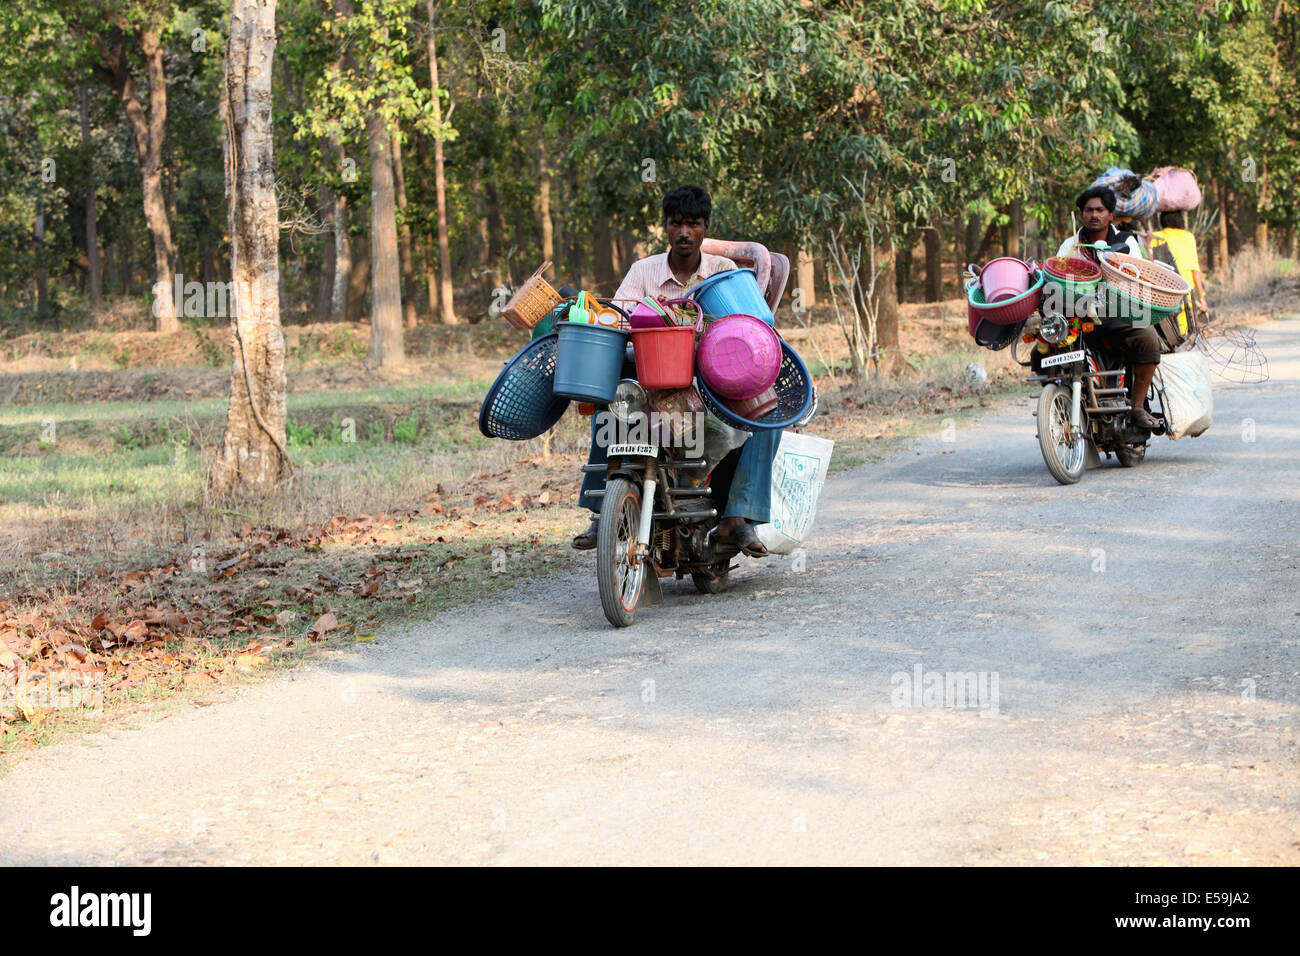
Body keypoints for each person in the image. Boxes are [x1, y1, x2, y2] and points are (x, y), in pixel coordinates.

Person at [572, 184, 778, 557]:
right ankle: (602, 512)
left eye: (693, 224)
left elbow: (746, 335)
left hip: (712, 388)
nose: (684, 232)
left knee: (768, 419)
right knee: (611, 404)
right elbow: (616, 323)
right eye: (676, 224)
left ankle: (737, 518)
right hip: (655, 384)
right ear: (666, 227)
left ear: (704, 228)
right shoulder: (643, 272)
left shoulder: (725, 273)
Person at [1057, 184, 1162, 431]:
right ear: (1081, 214)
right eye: (1089, 210)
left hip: (1117, 313)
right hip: (1078, 315)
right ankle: (1060, 403)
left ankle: (1136, 408)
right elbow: (1056, 276)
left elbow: (1137, 278)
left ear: (1111, 215)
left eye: (1100, 210)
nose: (1094, 215)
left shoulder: (1127, 242)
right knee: (1041, 351)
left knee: (1147, 337)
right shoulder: (1070, 245)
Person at [1151, 210, 1208, 336]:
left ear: (1162, 220)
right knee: (1186, 333)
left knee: (1168, 334)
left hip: (1164, 292)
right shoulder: (1188, 237)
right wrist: (1202, 296)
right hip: (1186, 291)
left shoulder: (1155, 236)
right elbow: (1195, 269)